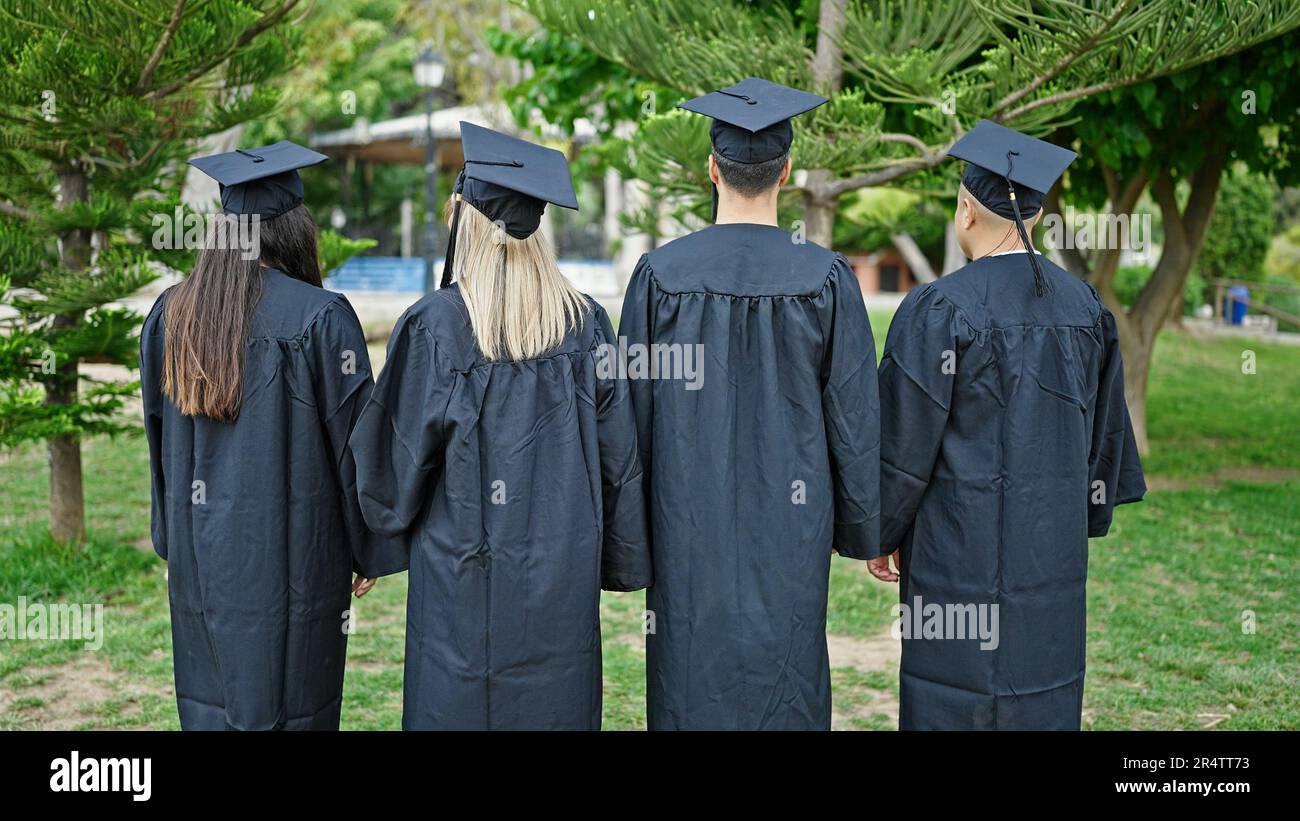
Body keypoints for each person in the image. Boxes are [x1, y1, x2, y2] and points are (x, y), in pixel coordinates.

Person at [349, 122, 651, 730]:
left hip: (459, 584)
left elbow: (393, 459)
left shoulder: (435, 326)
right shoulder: (586, 324)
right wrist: (622, 559)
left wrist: (371, 539)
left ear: (468, 225)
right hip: (559, 581)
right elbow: (620, 459)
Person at [621, 78, 882, 730]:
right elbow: (854, 416)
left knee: (689, 675)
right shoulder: (824, 276)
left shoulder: (660, 274)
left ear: (712, 169)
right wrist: (866, 529)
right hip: (792, 529)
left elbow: (628, 417)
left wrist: (631, 535)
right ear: (785, 172)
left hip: (685, 523)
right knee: (785, 673)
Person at [870, 119, 1147, 730]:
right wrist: (1084, 517)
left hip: (951, 556)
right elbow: (1104, 438)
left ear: (966, 211)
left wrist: (882, 528)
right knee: (1041, 688)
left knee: (953, 692)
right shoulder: (1086, 310)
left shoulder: (938, 308)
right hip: (1049, 554)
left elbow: (903, 443)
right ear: (1040, 217)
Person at [140, 140, 406, 730]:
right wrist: (369, 542)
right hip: (299, 561)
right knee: (294, 705)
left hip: (203, 562)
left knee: (212, 704)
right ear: (295, 230)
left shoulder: (171, 316)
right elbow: (355, 444)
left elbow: (158, 444)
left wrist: (174, 539)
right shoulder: (321, 317)